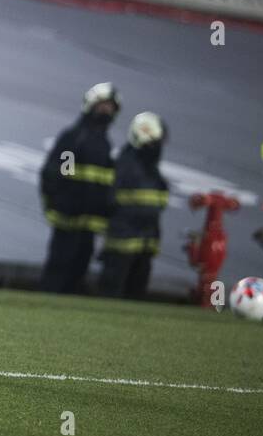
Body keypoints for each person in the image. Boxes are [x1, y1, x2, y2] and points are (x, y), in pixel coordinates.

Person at [37, 82, 119, 294]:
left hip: (89, 223)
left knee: (79, 269)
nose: (107, 111)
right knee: (58, 268)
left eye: (110, 107)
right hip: (68, 219)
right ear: (91, 106)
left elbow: (105, 183)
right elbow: (57, 175)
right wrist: (58, 206)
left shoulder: (103, 143)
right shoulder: (74, 138)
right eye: (103, 106)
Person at [100, 112, 169, 299]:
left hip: (144, 245)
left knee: (135, 296)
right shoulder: (126, 166)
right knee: (112, 294)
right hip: (122, 246)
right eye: (157, 141)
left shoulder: (150, 170)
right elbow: (110, 201)